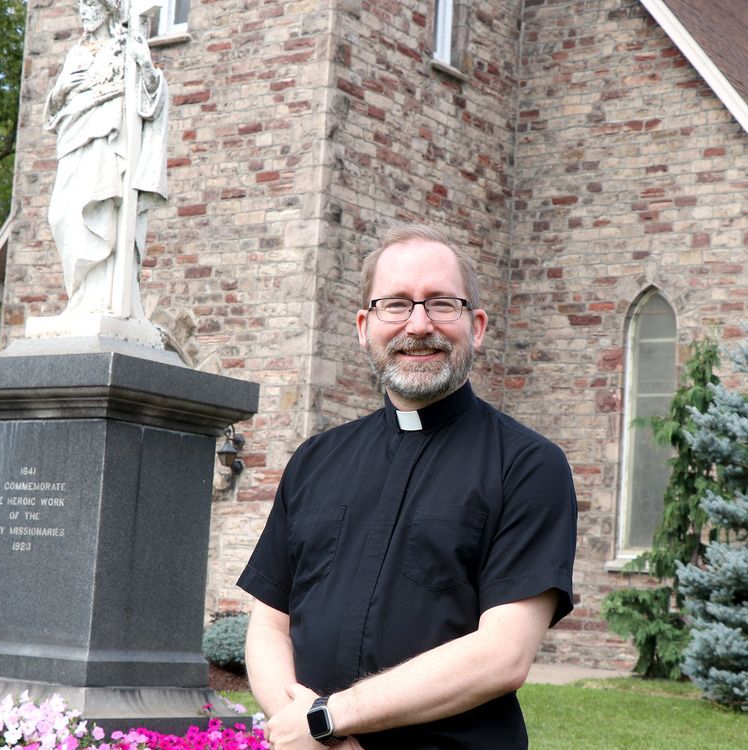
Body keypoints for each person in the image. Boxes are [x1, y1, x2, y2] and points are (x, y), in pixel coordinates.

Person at [237, 223, 578, 749]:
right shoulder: (315, 460)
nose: (418, 325)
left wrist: (330, 719)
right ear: (363, 326)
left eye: (442, 303)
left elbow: (503, 655)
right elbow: (268, 624)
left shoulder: (529, 466)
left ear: (478, 325)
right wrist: (305, 730)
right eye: (395, 305)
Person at [43, 0, 168, 321]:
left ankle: (100, 300)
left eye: (90, 5)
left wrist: (145, 66)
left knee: (100, 210)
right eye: (81, 7)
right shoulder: (76, 53)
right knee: (61, 215)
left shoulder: (123, 48)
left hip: (107, 141)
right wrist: (62, 91)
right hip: (73, 141)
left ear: (108, 10)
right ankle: (79, 298)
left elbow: (151, 100)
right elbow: (55, 108)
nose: (84, 12)